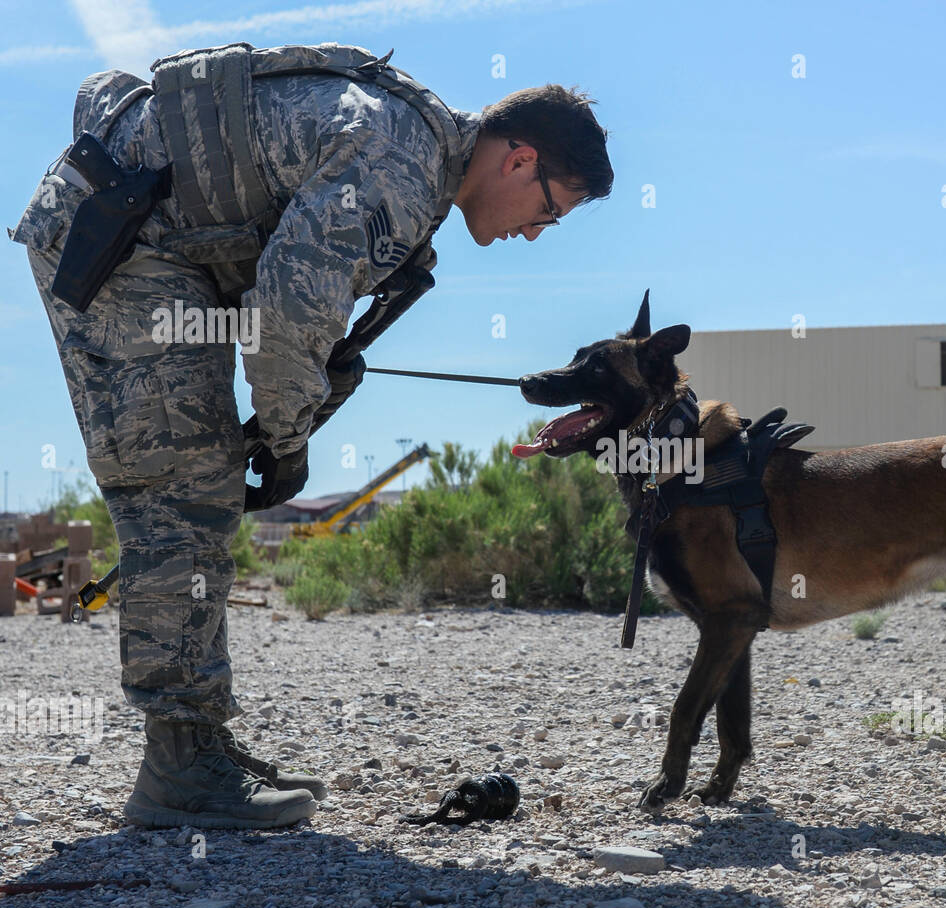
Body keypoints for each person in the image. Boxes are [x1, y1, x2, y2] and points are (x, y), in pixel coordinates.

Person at [9, 42, 613, 829]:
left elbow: (296, 303)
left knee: (202, 481)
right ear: (519, 160)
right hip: (125, 240)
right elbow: (286, 321)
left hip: (160, 239)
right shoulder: (399, 161)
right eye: (550, 210)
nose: (537, 233)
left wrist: (304, 398)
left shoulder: (416, 162)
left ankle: (198, 744)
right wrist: (288, 441)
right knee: (183, 489)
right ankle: (181, 764)